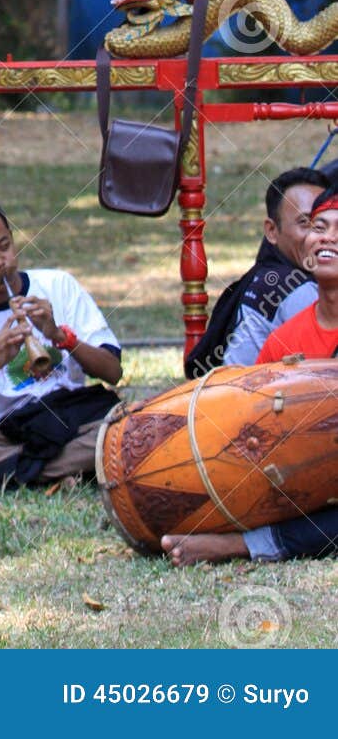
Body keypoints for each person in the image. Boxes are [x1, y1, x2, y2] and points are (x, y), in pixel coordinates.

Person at [164, 186, 338, 567]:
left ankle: (235, 546)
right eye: (319, 226)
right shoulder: (284, 340)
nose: (328, 237)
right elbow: (252, 422)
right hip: (303, 481)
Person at [0, 191, 122, 492]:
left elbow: (113, 372)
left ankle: (23, 473)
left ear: (12, 237)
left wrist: (59, 336)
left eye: (4, 246)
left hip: (74, 418)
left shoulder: (59, 284)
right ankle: (71, 467)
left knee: (134, 425)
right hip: (8, 432)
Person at [184, 166, 325, 375]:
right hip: (247, 402)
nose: (318, 236)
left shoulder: (269, 275)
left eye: (323, 223)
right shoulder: (297, 290)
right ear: (271, 231)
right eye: (305, 222)